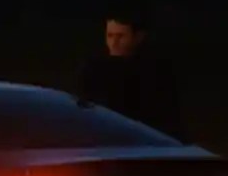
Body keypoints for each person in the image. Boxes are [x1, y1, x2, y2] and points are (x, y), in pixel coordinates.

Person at [77, 9, 185, 140]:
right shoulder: (93, 68)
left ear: (138, 37)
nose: (114, 43)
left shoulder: (154, 73)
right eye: (110, 36)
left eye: (120, 36)